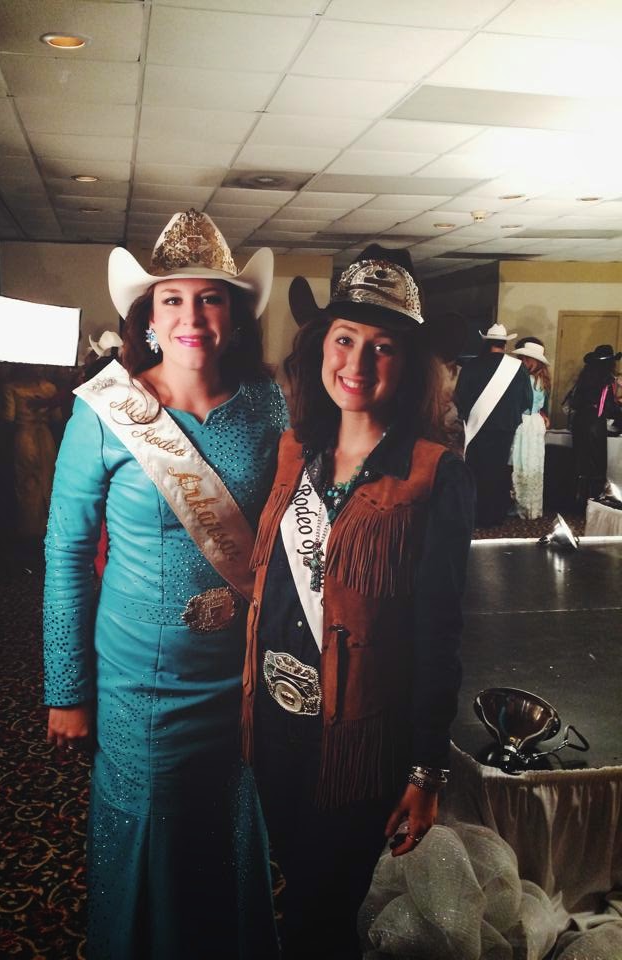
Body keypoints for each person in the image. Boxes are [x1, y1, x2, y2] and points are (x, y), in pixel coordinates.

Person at [43, 210, 286, 959]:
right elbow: (66, 553)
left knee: (227, 827)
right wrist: (66, 689)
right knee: (149, 829)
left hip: (238, 675)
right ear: (147, 316)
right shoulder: (103, 412)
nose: (191, 316)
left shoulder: (269, 405)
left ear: (234, 315)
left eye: (210, 299)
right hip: (139, 682)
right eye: (172, 299)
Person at [240, 252, 475, 959]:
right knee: (291, 880)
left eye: (383, 347)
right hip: (272, 725)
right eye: (344, 339)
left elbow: (440, 631)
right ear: (321, 346)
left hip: (357, 746)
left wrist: (426, 769)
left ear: (409, 365)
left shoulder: (435, 473)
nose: (358, 362)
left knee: (324, 906)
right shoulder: (292, 451)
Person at [454, 323, 533, 527]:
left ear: (486, 342)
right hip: (505, 428)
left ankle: (474, 514)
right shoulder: (518, 367)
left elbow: (459, 397)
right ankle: (495, 515)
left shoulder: (471, 366)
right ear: (504, 345)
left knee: (475, 470)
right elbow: (527, 400)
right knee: (498, 471)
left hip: (477, 427)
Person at [1, 365, 61, 540]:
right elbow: (57, 417)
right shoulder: (50, 388)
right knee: (48, 480)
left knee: (27, 483)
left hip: (24, 438)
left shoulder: (11, 387)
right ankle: (48, 526)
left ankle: (29, 529)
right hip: (46, 438)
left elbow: (8, 417)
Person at [567, 343, 622, 503]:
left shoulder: (586, 377)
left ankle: (578, 499)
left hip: (580, 422)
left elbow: (576, 402)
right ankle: (592, 500)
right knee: (596, 463)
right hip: (594, 424)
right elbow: (608, 407)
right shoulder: (606, 380)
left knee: (580, 461)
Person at [510, 340, 551, 519]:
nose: (523, 361)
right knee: (533, 463)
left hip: (525, 423)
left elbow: (520, 404)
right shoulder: (543, 380)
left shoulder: (525, 379)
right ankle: (531, 505)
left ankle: (521, 503)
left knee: (521, 462)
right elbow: (541, 405)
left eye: (527, 358)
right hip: (535, 422)